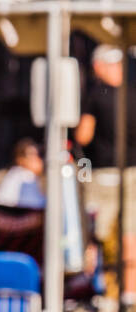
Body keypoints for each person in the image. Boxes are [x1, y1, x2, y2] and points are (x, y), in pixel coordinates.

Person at [74, 43, 136, 298]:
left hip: (100, 174)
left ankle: (95, 290)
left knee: (94, 235)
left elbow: (83, 135)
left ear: (98, 67)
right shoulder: (133, 94)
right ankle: (130, 293)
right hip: (132, 173)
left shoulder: (94, 95)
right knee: (130, 235)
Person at [0, 139, 46, 210]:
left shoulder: (40, 178)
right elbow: (3, 202)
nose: (36, 158)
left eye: (38, 154)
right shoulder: (19, 175)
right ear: (20, 160)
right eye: (31, 155)